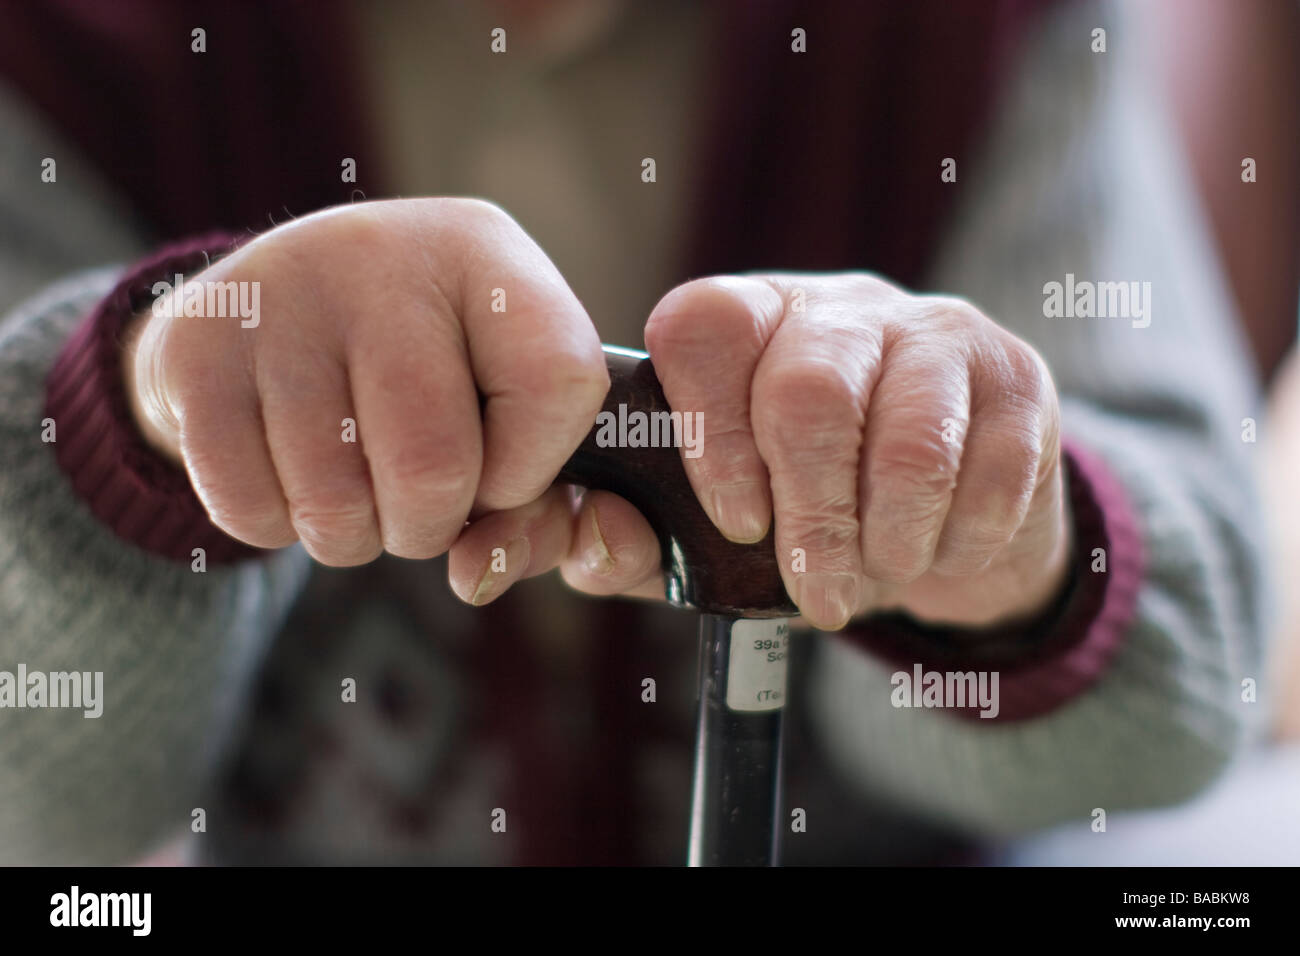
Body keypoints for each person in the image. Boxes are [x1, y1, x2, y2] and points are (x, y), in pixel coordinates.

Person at [0, 0, 1287, 864]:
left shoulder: (988, 31)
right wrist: (140, 416)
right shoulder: (56, 49)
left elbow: (1195, 686)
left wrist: (1005, 555)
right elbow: (40, 806)